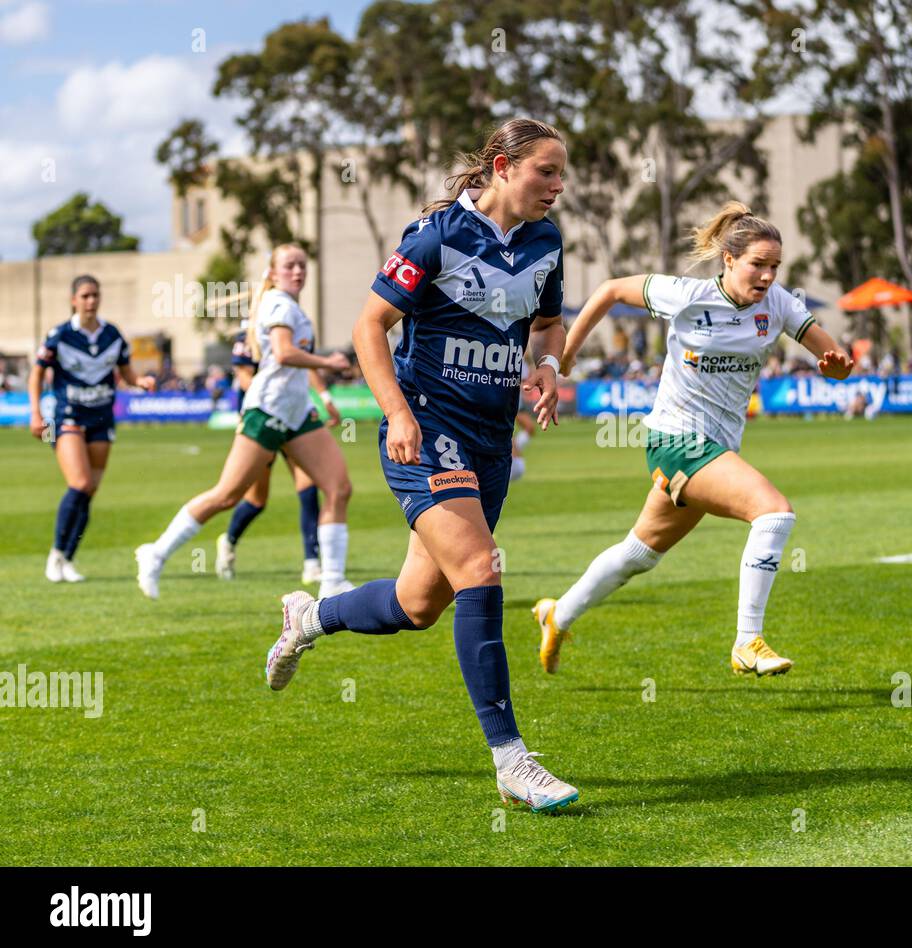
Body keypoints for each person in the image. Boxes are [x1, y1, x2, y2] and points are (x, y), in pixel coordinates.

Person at [261, 118, 579, 813]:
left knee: (418, 604)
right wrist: (398, 413)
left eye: (561, 174)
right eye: (545, 172)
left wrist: (550, 365)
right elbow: (367, 326)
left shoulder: (547, 242)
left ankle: (309, 618)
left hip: (492, 440)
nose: (557, 186)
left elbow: (550, 322)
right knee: (480, 568)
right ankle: (512, 760)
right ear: (502, 166)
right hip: (429, 430)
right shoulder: (436, 236)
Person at [532, 200, 853, 678]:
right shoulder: (685, 295)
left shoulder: (778, 303)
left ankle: (557, 615)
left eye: (774, 267)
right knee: (774, 512)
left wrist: (839, 366)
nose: (766, 276)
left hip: (716, 449)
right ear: (728, 259)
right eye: (757, 265)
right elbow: (609, 290)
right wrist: (566, 359)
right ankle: (748, 642)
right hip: (676, 439)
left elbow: (834, 356)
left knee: (638, 555)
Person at [134, 244, 354, 599]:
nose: (297, 271)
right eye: (289, 266)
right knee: (226, 495)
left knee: (338, 487)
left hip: (296, 412)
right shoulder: (280, 303)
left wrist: (322, 389)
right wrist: (328, 362)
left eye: (301, 265)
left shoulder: (288, 305)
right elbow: (283, 353)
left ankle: (331, 579)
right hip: (267, 409)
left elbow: (293, 360)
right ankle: (155, 554)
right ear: (272, 272)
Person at [29, 275, 155, 582]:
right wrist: (35, 413)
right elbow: (36, 374)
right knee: (81, 482)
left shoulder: (112, 334)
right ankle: (56, 554)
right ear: (74, 300)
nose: (91, 301)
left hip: (101, 418)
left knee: (90, 491)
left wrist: (140, 381)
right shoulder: (59, 335)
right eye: (85, 296)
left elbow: (125, 372)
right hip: (67, 416)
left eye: (95, 295)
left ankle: (68, 560)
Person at [215, 322, 341, 584]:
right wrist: (275, 401)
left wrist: (325, 398)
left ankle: (311, 563)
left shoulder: (291, 332)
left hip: (293, 421)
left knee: (308, 487)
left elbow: (305, 368)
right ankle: (228, 541)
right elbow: (244, 379)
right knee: (256, 499)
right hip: (263, 422)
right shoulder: (247, 338)